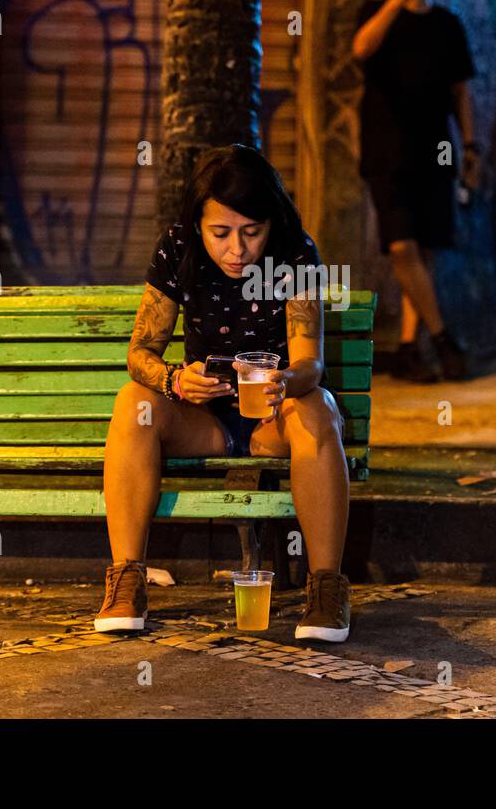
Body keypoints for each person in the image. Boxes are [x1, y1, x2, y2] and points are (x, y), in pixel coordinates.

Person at [96, 144, 354, 643]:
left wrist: (286, 382)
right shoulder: (177, 248)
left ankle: (326, 588)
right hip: (205, 420)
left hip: (274, 421)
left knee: (319, 409)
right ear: (198, 226)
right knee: (135, 402)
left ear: (269, 223)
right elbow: (140, 352)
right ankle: (127, 578)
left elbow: (310, 362)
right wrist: (173, 379)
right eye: (220, 233)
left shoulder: (296, 253)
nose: (237, 249)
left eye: (251, 232)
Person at [352, 0, 478, 381]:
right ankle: (444, 338)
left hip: (435, 152)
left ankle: (408, 347)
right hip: (387, 151)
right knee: (401, 245)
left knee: (424, 251)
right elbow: (361, 49)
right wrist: (397, 1)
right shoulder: (375, 12)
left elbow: (461, 91)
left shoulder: (447, 24)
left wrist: (470, 146)